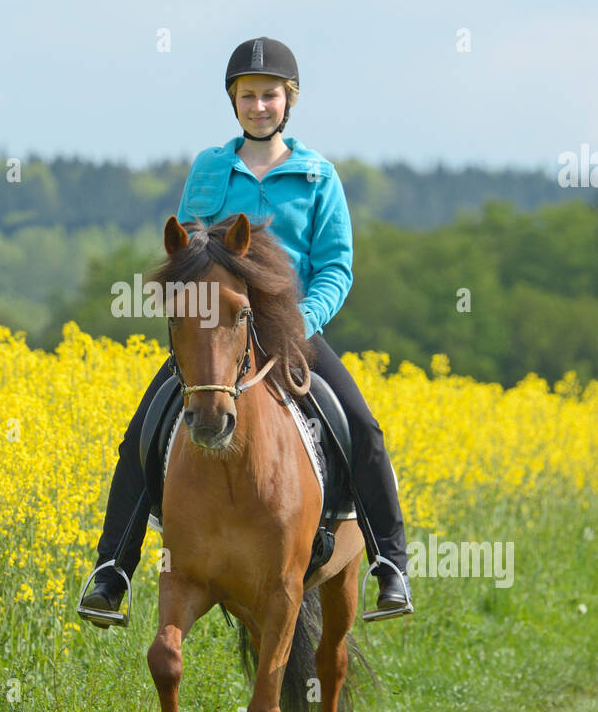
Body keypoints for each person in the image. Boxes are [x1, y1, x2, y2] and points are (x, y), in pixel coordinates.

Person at [78, 36, 414, 627]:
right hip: (217, 330)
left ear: (290, 101)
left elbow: (336, 265)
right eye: (248, 95)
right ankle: (113, 570)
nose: (259, 105)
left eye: (270, 96)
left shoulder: (318, 175)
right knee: (141, 431)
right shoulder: (211, 167)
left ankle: (390, 561)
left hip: (292, 331)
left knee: (361, 427)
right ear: (233, 102)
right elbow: (186, 245)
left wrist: (301, 322)